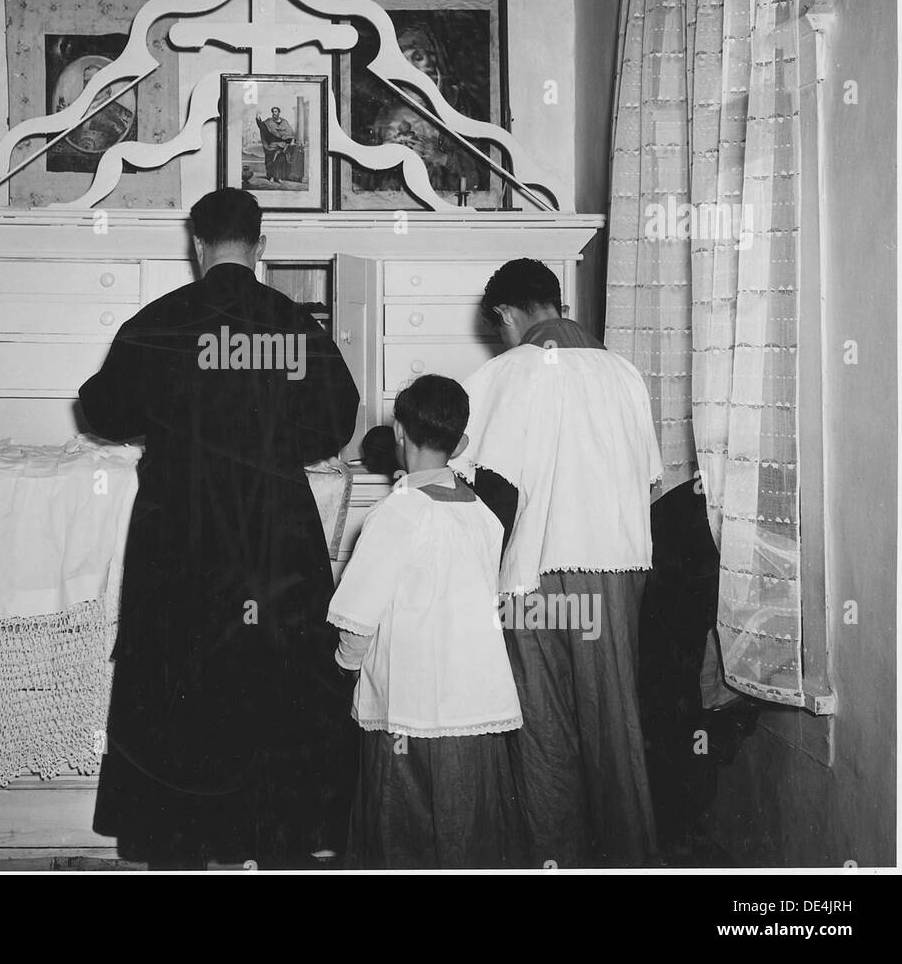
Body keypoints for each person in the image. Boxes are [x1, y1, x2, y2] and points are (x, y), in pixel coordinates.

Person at [79, 188, 360, 869]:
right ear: (260, 246)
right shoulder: (294, 326)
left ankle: (181, 845)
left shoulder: (158, 321)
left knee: (179, 685)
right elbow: (338, 418)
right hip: (273, 535)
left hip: (180, 534)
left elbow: (101, 409)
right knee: (275, 682)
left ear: (197, 245)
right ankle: (275, 840)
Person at [451, 258, 663, 867]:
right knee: (615, 729)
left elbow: (485, 492)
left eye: (500, 328)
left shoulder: (503, 374)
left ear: (507, 315)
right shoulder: (624, 372)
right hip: (619, 572)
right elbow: (647, 478)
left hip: (535, 575)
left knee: (543, 730)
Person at [328, 375, 522, 868]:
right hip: (474, 709)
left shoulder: (398, 512)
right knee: (467, 832)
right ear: (460, 443)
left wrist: (344, 668)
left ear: (398, 431)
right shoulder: (484, 514)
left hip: (408, 711)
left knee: (404, 836)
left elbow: (356, 620)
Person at [255, 106, 295, 182]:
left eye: (276, 111)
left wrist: (286, 143)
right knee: (270, 162)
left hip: (282, 145)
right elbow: (262, 127)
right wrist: (257, 118)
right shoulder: (269, 122)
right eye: (273, 112)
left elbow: (290, 133)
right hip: (272, 145)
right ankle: (271, 177)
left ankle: (278, 177)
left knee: (279, 161)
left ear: (279, 112)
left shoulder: (285, 122)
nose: (274, 113)